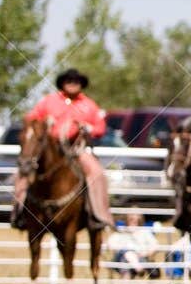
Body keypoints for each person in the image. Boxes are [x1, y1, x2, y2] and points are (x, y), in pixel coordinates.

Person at [13, 68, 115, 229]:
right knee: (23, 171)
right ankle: (20, 213)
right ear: (62, 83)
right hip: (49, 148)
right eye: (69, 80)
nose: (73, 84)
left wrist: (87, 128)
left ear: (81, 84)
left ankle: (98, 215)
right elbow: (31, 118)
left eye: (76, 81)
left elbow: (100, 127)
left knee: (97, 173)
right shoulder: (49, 101)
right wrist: (45, 121)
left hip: (76, 149)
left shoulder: (88, 104)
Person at [107, 211, 160, 284]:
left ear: (140, 221)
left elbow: (155, 246)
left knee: (126, 261)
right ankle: (138, 268)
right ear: (127, 220)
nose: (133, 222)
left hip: (140, 259)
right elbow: (110, 244)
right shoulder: (121, 231)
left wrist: (144, 253)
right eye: (131, 219)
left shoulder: (145, 232)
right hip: (120, 259)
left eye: (136, 220)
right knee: (126, 253)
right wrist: (123, 250)